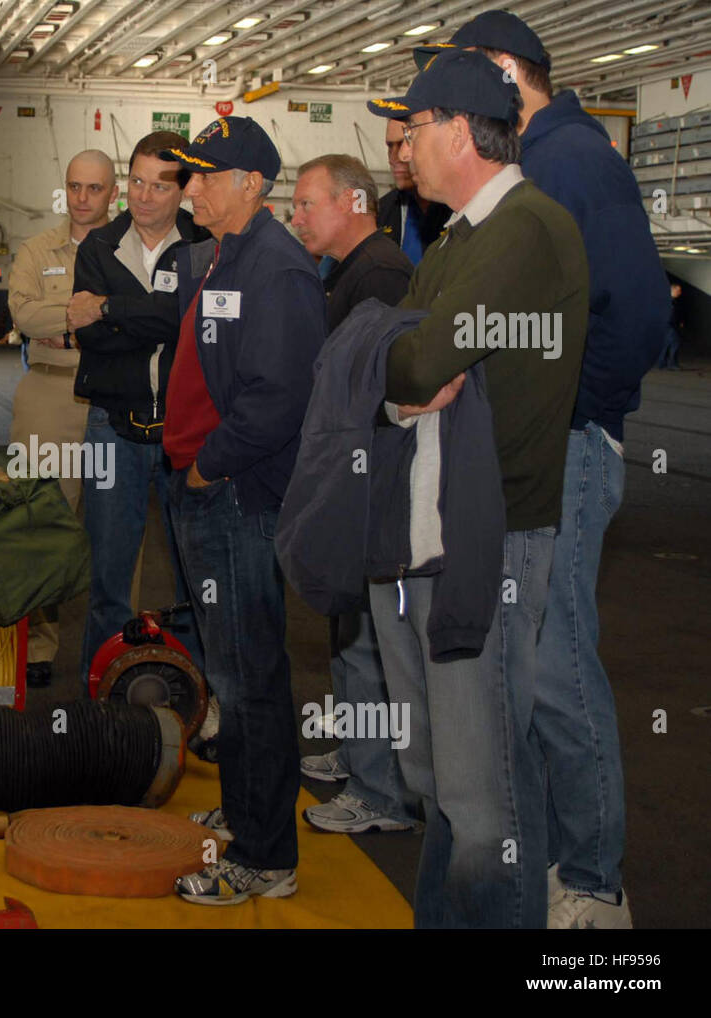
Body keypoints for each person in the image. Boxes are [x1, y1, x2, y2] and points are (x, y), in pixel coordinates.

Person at [421, 8, 671, 929]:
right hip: (533, 450)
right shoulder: (542, 165)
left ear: (501, 73)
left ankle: (595, 884)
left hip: (563, 451)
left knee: (557, 670)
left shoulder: (569, 162)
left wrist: (563, 413)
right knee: (521, 675)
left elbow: (641, 321)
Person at [366, 49, 588, 928]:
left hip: (491, 538)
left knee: (479, 792)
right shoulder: (462, 235)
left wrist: (401, 359)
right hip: (439, 527)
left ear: (459, 131)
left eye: (413, 131)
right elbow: (396, 355)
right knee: (448, 783)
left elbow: (417, 354)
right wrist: (397, 360)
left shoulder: (526, 228)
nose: (403, 151)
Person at [159, 117, 326, 904]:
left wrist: (206, 467)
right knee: (232, 674)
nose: (188, 188)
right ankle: (247, 808)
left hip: (234, 497)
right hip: (208, 489)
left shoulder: (278, 270)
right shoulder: (228, 254)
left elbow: (277, 400)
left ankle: (264, 857)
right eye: (187, 174)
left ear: (251, 185)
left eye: (203, 175)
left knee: (250, 679)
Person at [289, 153, 415, 835]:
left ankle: (382, 793)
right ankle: (366, 758)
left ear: (354, 202)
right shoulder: (351, 271)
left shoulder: (382, 273)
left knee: (370, 641)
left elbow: (383, 389)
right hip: (353, 477)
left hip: (372, 483)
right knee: (352, 633)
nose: (297, 216)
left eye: (309, 203)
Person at [65, 131, 208, 686]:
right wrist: (150, 316)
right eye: (137, 182)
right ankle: (97, 696)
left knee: (193, 577)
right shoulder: (97, 248)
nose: (144, 196)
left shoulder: (203, 245)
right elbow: (95, 339)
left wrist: (110, 309)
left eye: (160, 185)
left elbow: (189, 321)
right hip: (113, 432)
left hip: (186, 435)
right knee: (109, 578)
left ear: (184, 189)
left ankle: (194, 696)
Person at [7, 149, 117, 688]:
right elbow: (23, 315)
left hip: (113, 401)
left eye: (94, 188)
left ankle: (116, 645)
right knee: (39, 523)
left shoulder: (127, 250)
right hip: (48, 397)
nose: (82, 198)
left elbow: (144, 316)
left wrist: (70, 326)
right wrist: (92, 319)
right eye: (74, 186)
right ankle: (36, 647)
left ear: (111, 194)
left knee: (118, 529)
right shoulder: (37, 248)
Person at [378, 120, 450, 263]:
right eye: (390, 146)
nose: (395, 157)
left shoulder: (457, 207)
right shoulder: (382, 210)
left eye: (404, 143)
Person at [660, 282, 683, 369]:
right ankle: (672, 364)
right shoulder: (669, 301)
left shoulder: (671, 300)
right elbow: (670, 314)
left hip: (668, 325)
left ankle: (662, 363)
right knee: (675, 343)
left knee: (666, 344)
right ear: (673, 290)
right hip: (669, 325)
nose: (680, 292)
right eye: (678, 290)